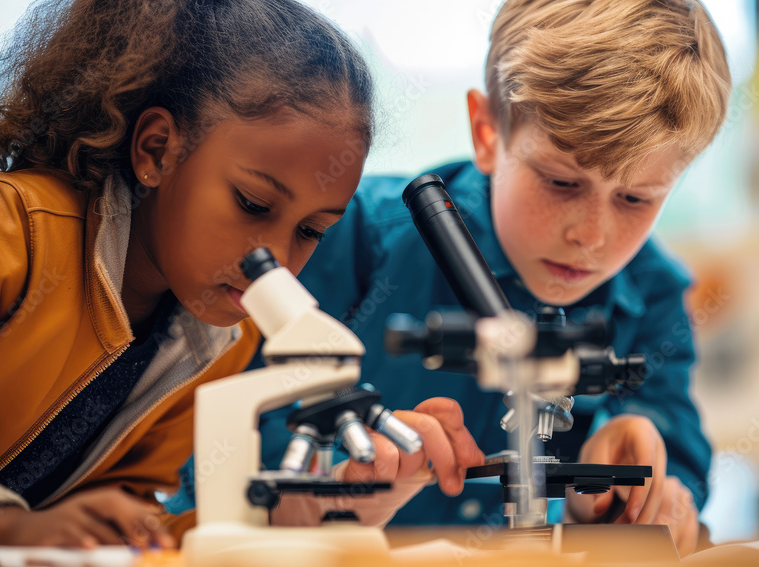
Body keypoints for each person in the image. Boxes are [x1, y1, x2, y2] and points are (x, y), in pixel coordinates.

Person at [0, 0, 483, 564]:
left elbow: (132, 527)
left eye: (313, 231)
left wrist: (320, 506)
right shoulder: (4, 239)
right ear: (157, 150)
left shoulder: (214, 340)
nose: (276, 260)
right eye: (252, 203)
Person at [246, 0, 731, 557]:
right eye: (560, 182)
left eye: (635, 198)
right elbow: (217, 461)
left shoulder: (651, 293)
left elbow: (680, 464)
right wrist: (346, 474)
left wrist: (623, 494)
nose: (592, 236)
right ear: (487, 132)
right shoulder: (345, 239)